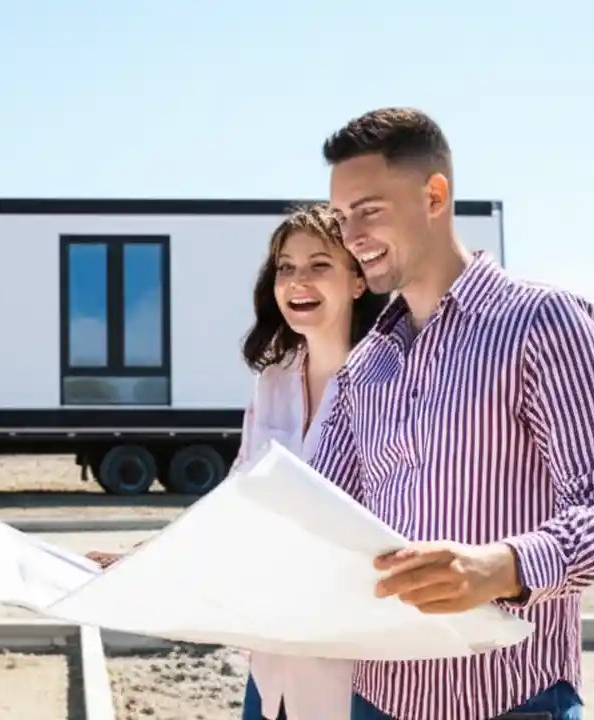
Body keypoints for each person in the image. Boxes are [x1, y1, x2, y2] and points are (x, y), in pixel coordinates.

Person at [310, 107, 594, 720]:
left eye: (369, 208)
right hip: (378, 698)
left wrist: (504, 566)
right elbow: (309, 514)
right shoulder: (364, 368)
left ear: (434, 195)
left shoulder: (547, 325)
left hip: (513, 701)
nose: (352, 235)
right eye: (341, 218)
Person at [87, 204, 390, 720]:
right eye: (285, 267)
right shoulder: (273, 380)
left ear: (358, 281)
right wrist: (148, 555)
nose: (298, 280)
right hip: (273, 656)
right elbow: (237, 501)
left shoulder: (391, 383)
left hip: (360, 660)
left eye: (319, 265)